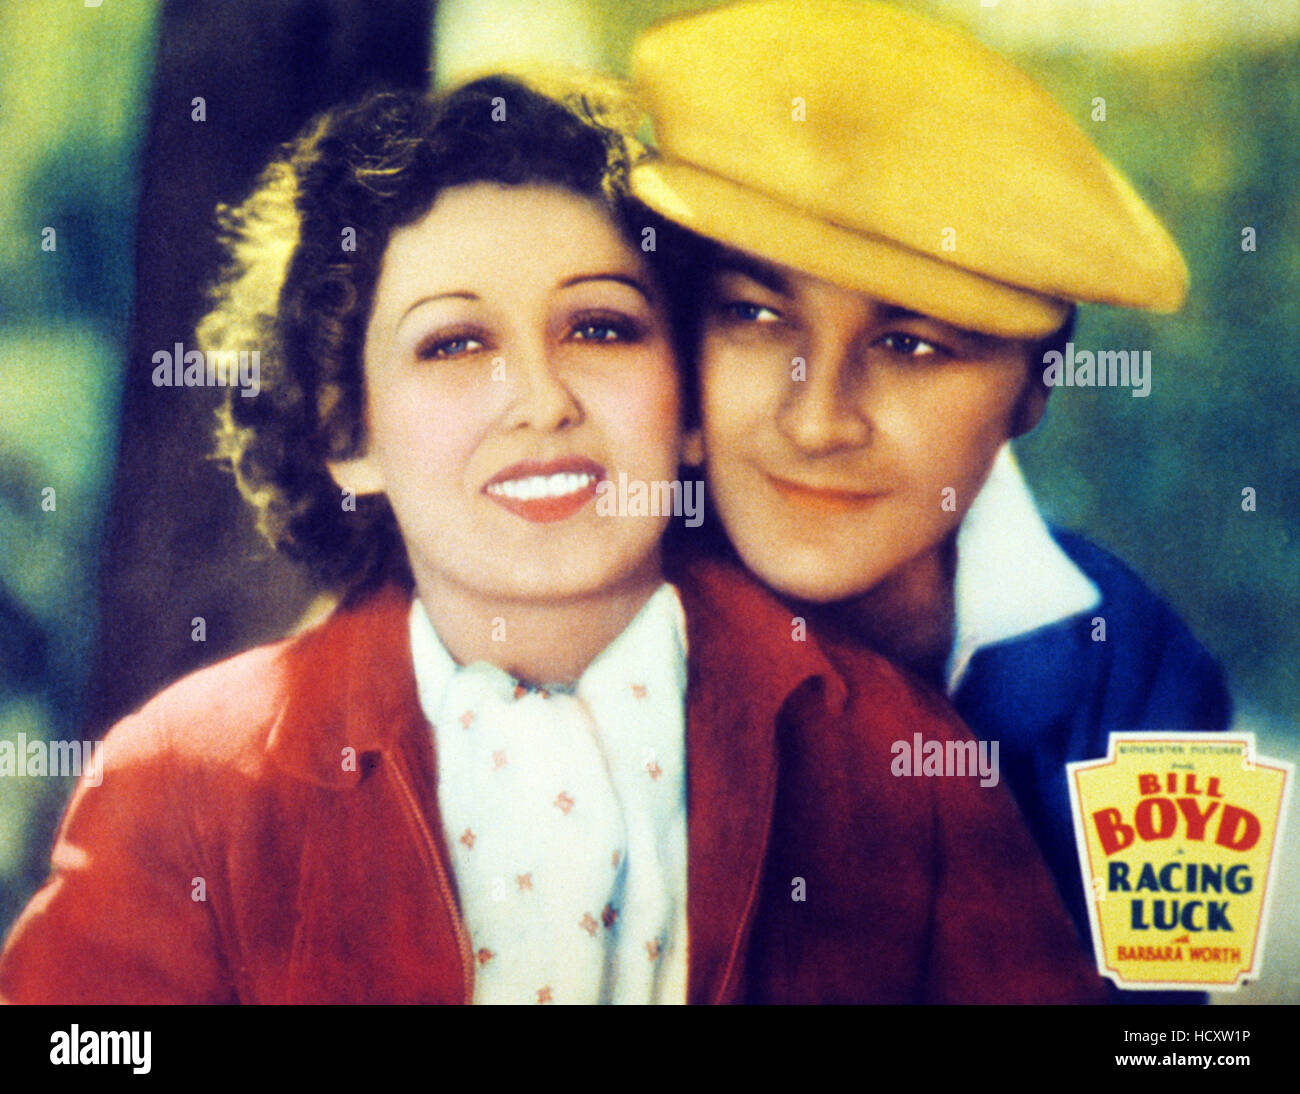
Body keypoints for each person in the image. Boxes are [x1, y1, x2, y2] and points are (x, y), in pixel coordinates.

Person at [0, 74, 1105, 1005]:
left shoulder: (893, 755)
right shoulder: (187, 783)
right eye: (451, 343)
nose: (538, 399)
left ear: (686, 407)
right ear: (347, 432)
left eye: (599, 326)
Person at [627, 0, 1231, 972]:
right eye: (753, 314)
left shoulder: (1149, 679)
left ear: (1034, 388)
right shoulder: (576, 611)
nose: (817, 418)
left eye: (911, 345)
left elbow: (1159, 1032)